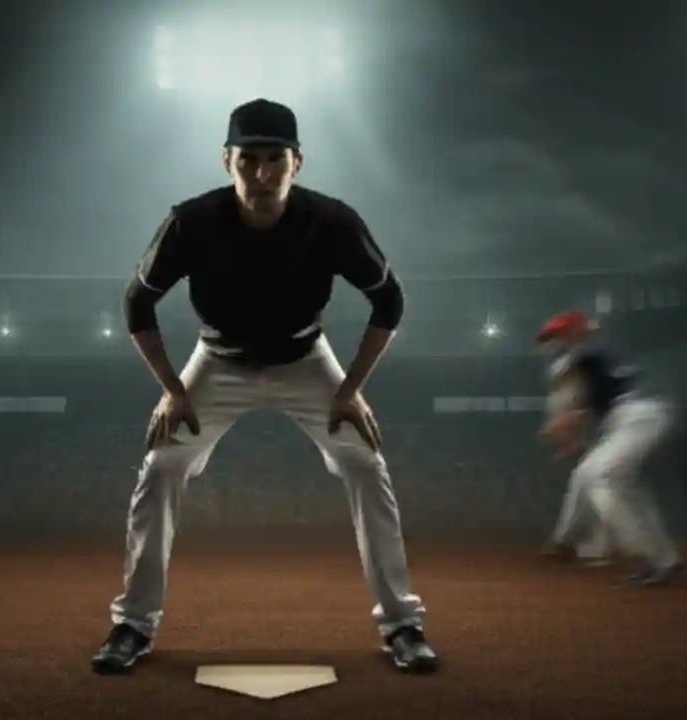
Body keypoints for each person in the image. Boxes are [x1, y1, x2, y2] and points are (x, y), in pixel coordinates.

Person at [91, 98, 436, 674]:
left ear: (297, 162)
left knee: (365, 464)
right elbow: (136, 302)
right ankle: (133, 624)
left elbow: (389, 299)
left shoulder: (331, 222)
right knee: (161, 467)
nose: (261, 172)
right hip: (218, 359)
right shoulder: (192, 221)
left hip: (305, 359)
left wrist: (350, 388)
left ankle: (403, 624)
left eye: (274, 157)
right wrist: (173, 389)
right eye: (247, 158)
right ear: (226, 160)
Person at [535, 309, 687, 586]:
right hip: (633, 417)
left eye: (555, 336)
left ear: (572, 333)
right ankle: (662, 559)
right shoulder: (597, 355)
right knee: (591, 474)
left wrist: (560, 423)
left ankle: (650, 555)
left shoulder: (582, 354)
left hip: (638, 415)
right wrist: (570, 430)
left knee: (603, 477)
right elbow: (584, 406)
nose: (552, 343)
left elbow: (566, 389)